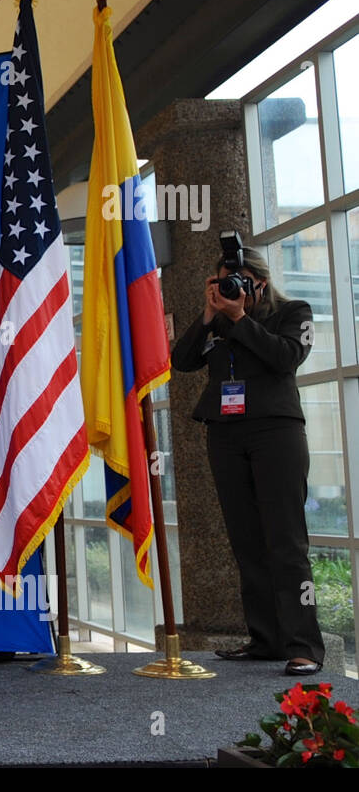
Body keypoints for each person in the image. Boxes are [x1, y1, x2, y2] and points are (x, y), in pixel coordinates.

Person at [171, 246, 324, 676]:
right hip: (225, 432)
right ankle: (266, 639)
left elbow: (286, 357)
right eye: (223, 282)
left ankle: (304, 646)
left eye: (237, 281)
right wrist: (208, 313)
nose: (231, 290)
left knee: (287, 543)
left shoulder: (294, 310)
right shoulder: (216, 321)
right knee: (246, 542)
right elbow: (181, 362)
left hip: (276, 432)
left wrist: (240, 319)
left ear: (260, 280)